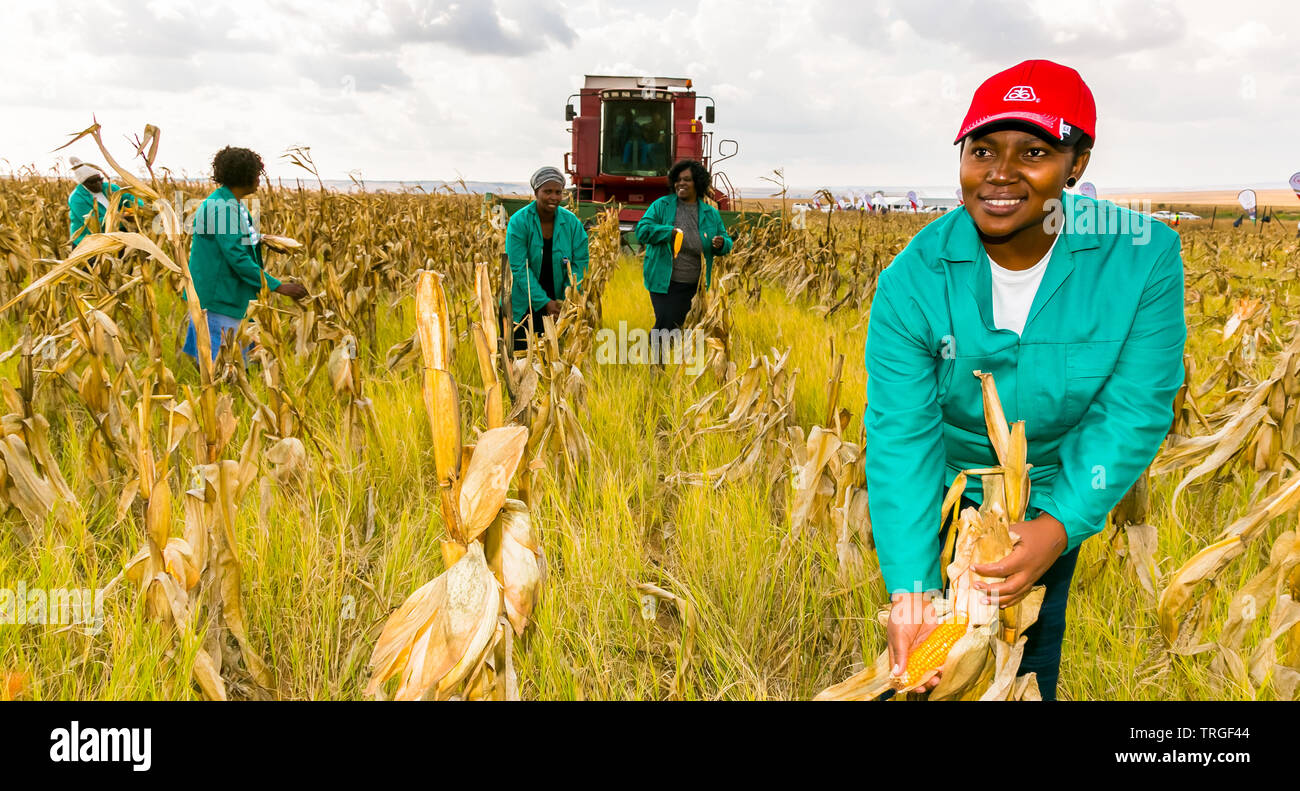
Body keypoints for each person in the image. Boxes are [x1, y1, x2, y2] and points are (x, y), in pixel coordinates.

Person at [864, 60, 1185, 700]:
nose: (1000, 174)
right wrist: (909, 587)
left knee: (1028, 658)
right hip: (942, 495)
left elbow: (1133, 411)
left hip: (1053, 493)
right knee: (928, 668)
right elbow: (902, 436)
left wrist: (1059, 525)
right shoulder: (913, 278)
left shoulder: (1144, 258)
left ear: (1077, 163)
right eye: (982, 150)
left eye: (1033, 151)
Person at [183, 146, 308, 362]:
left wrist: (265, 239)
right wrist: (278, 286)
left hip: (221, 291)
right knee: (221, 363)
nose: (259, 180)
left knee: (231, 359)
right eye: (257, 174)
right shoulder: (223, 208)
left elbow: (233, 238)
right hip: (218, 294)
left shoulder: (228, 202)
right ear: (245, 176)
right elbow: (236, 256)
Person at [635, 159, 733, 333]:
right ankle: (655, 358)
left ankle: (670, 358)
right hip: (665, 281)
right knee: (666, 323)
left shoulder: (710, 213)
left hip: (696, 284)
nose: (681, 183)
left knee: (683, 328)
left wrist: (721, 243)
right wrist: (668, 232)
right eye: (678, 179)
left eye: (687, 179)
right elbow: (642, 231)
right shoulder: (661, 206)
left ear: (698, 182)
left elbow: (727, 241)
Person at [505, 166, 589, 351]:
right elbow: (519, 268)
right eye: (547, 191)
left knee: (555, 357)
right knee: (521, 355)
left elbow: (579, 263)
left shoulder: (572, 223)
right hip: (525, 303)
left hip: (559, 304)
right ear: (536, 192)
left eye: (558, 192)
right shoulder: (519, 222)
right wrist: (544, 302)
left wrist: (567, 299)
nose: (554, 197)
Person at [67, 156, 136, 247]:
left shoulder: (110, 188)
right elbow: (94, 223)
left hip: (117, 235)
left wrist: (136, 208)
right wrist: (122, 217)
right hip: (89, 243)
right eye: (93, 182)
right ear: (83, 183)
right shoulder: (77, 198)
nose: (98, 183)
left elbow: (130, 198)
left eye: (100, 179)